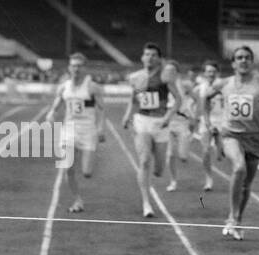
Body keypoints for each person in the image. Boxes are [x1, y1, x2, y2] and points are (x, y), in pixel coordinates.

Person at [202, 45, 259, 240]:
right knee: (239, 168)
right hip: (230, 134)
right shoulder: (223, 84)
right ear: (233, 63)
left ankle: (237, 219)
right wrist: (207, 121)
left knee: (246, 186)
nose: (243, 60)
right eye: (239, 57)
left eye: (247, 57)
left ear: (252, 61)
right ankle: (231, 218)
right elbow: (205, 99)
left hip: (254, 138)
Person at [120, 43, 177, 219]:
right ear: (142, 57)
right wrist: (127, 115)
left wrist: (168, 117)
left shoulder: (165, 76)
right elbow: (134, 99)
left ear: (159, 58)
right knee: (144, 161)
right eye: (147, 54)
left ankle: (157, 170)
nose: (149, 57)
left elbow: (178, 99)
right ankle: (146, 203)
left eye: (153, 55)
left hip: (160, 123)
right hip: (142, 121)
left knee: (159, 170)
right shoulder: (135, 77)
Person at [45, 52, 106, 213]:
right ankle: (77, 200)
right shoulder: (64, 86)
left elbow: (101, 109)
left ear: (84, 68)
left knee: (87, 173)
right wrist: (51, 113)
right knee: (67, 167)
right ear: (69, 67)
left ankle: (85, 160)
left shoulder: (92, 87)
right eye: (73, 66)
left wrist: (101, 127)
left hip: (88, 131)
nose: (76, 69)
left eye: (79, 66)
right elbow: (58, 102)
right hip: (69, 129)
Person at [162, 61, 199, 192]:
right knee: (170, 154)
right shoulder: (163, 86)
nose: (169, 73)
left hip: (183, 122)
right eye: (167, 71)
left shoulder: (185, 85)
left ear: (177, 72)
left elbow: (197, 99)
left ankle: (188, 141)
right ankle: (173, 181)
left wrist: (194, 115)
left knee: (183, 157)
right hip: (168, 122)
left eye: (172, 71)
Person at [194, 59, 224, 192]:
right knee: (205, 151)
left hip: (222, 121)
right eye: (208, 71)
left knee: (221, 154)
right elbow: (201, 107)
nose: (211, 73)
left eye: (213, 71)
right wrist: (207, 123)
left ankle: (220, 149)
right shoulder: (200, 88)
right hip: (206, 120)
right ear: (204, 73)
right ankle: (208, 178)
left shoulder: (223, 85)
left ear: (217, 72)